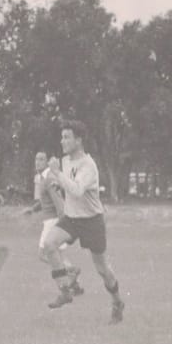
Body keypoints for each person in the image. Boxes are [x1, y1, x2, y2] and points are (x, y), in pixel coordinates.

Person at [42, 121, 125, 324]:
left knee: (102, 269)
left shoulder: (89, 165)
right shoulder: (65, 161)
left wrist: (57, 174)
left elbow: (78, 190)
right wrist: (58, 183)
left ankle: (117, 302)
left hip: (91, 221)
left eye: (67, 137)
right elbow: (69, 188)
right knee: (49, 244)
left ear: (78, 140)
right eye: (62, 137)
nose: (62, 141)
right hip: (72, 218)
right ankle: (65, 291)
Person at [24, 151, 84, 304]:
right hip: (51, 220)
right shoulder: (42, 178)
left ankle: (72, 271)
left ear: (46, 162)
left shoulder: (49, 178)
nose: (38, 162)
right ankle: (75, 285)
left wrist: (63, 222)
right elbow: (45, 201)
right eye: (36, 159)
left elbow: (58, 201)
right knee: (60, 256)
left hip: (53, 222)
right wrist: (33, 209)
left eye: (41, 159)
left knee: (42, 255)